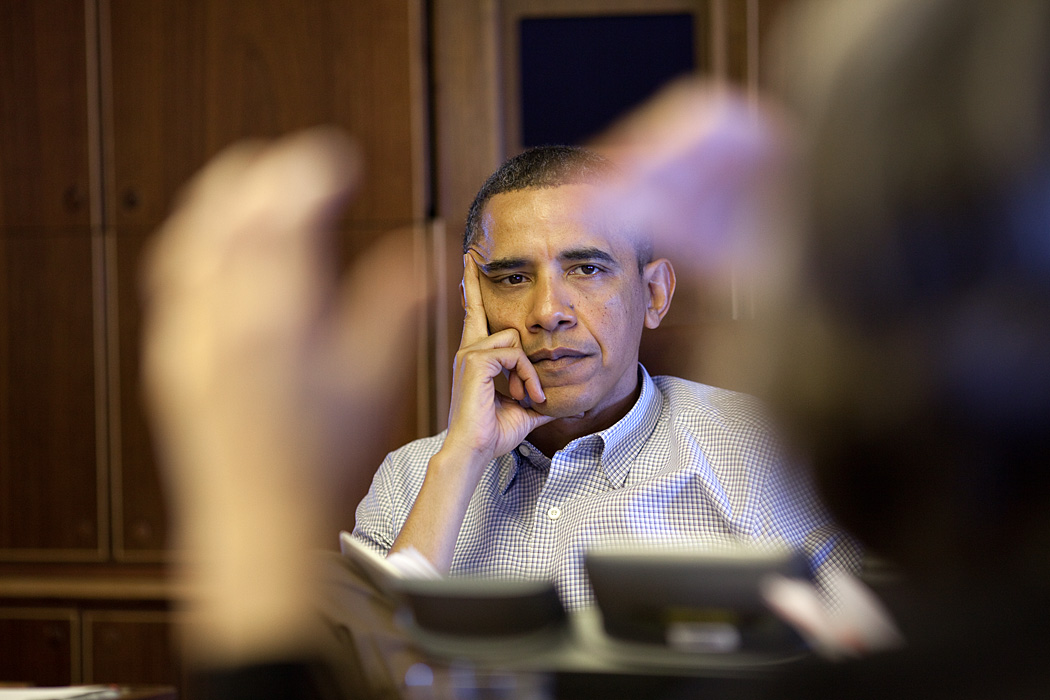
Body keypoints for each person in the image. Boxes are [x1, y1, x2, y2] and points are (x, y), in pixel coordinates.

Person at [350, 145, 861, 611]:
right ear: (473, 302)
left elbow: (867, 652)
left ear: (655, 294)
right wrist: (462, 458)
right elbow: (372, 663)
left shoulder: (770, 455)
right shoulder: (410, 482)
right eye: (513, 278)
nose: (548, 313)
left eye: (587, 269)